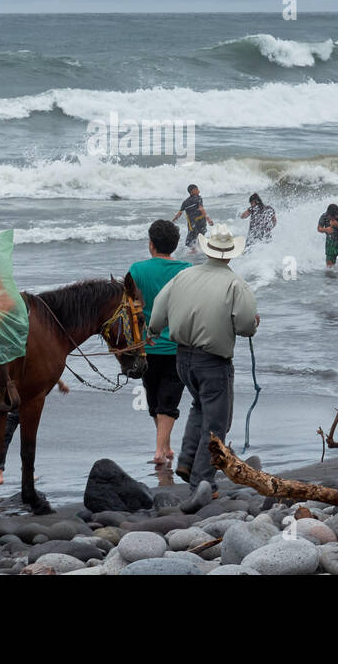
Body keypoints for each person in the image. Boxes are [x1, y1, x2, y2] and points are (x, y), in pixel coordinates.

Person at [149, 222, 259, 496]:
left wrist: (152, 332)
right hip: (213, 360)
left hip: (182, 357)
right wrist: (254, 324)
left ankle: (187, 463)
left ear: (207, 250)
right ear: (231, 254)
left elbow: (158, 316)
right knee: (216, 421)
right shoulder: (236, 283)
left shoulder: (184, 276)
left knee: (199, 407)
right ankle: (202, 482)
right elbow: (246, 326)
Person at [127, 220, 191, 465]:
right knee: (168, 399)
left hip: (147, 344)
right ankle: (163, 446)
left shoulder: (136, 270)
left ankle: (160, 449)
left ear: (151, 244)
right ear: (174, 246)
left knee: (154, 399)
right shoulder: (186, 270)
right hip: (178, 343)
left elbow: (132, 307)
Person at [0, 379, 70, 490]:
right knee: (28, 439)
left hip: (15, 402)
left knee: (3, 438)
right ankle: (28, 473)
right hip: (30, 404)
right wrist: (61, 384)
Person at [172, 183, 212, 252]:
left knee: (192, 241)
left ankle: (194, 254)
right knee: (200, 237)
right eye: (197, 189)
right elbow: (201, 209)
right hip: (201, 222)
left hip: (192, 224)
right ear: (192, 191)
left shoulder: (185, 202)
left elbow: (179, 213)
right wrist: (208, 219)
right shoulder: (198, 198)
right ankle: (199, 252)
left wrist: (172, 221)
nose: (199, 191)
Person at [317, 202, 338, 269]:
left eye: (335, 216)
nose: (333, 218)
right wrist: (325, 230)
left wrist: (337, 225)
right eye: (331, 216)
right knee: (329, 268)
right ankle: (330, 279)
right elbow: (319, 228)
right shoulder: (324, 216)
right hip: (330, 243)